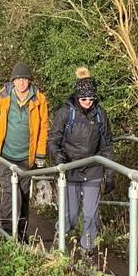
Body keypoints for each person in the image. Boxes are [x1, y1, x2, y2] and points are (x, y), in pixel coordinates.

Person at [0, 62, 49, 238]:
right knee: (10, 192)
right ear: (13, 81)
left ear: (30, 81)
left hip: (26, 157)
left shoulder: (39, 100)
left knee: (23, 195)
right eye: (18, 79)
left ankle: (21, 233)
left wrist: (41, 154)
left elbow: (43, 127)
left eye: (25, 79)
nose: (21, 83)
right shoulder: (3, 96)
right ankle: (7, 233)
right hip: (4, 155)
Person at [47, 67, 112, 254]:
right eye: (84, 99)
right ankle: (61, 237)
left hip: (93, 169)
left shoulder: (101, 115)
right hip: (71, 168)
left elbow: (107, 144)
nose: (87, 103)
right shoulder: (66, 113)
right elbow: (53, 140)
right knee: (71, 215)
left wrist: (109, 174)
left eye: (91, 100)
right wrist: (58, 156)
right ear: (77, 97)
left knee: (91, 214)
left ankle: (87, 249)